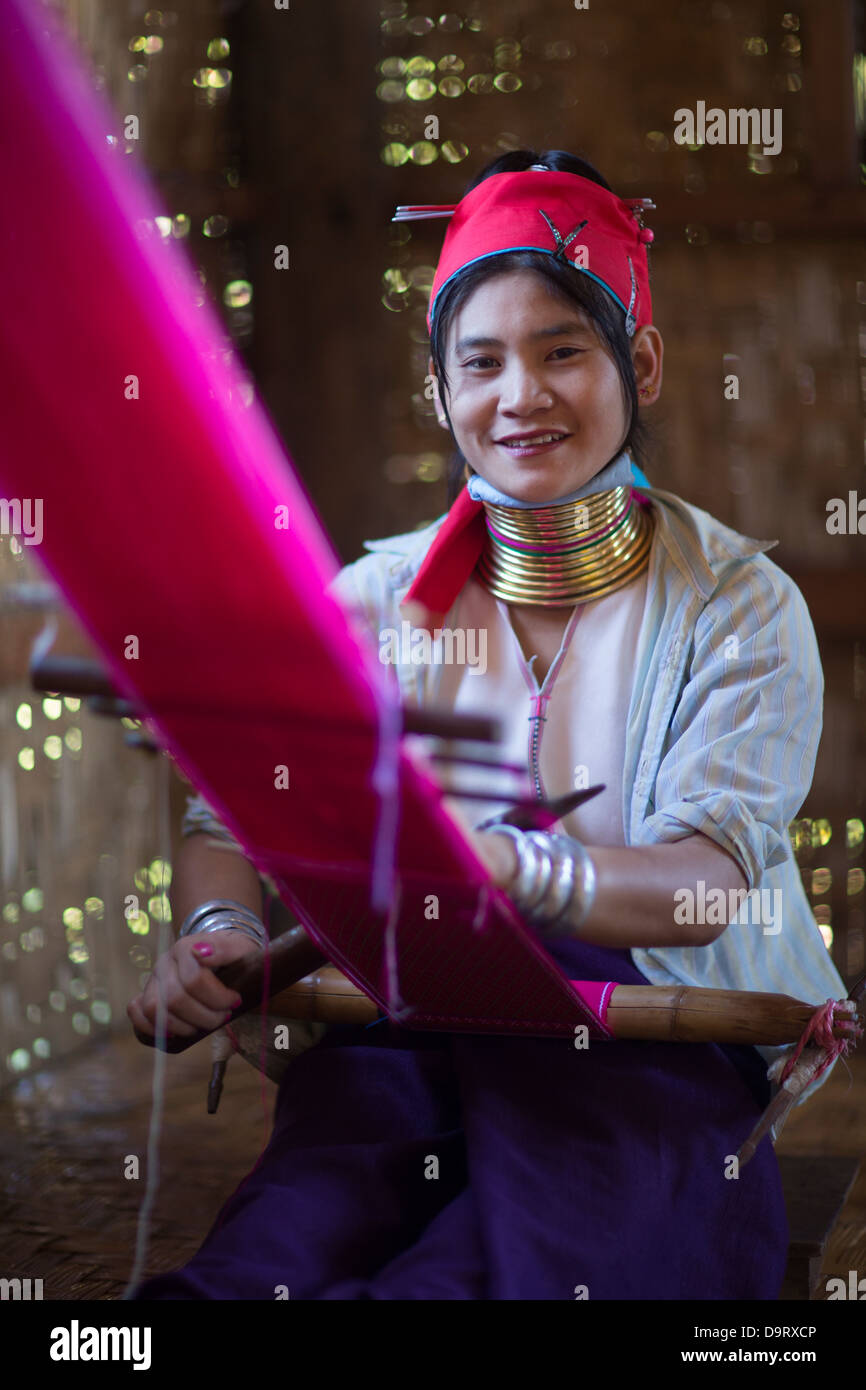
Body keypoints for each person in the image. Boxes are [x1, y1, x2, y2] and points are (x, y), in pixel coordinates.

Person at [128, 148, 846, 1300]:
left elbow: (704, 886)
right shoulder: (365, 607)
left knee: (530, 1264)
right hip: (396, 1038)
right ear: (440, 390)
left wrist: (512, 872)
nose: (520, 396)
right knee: (283, 1238)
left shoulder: (736, 606)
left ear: (641, 364)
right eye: (481, 362)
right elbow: (234, 819)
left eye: (563, 350)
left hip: (642, 1047)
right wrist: (218, 929)